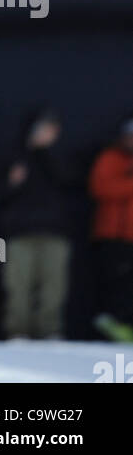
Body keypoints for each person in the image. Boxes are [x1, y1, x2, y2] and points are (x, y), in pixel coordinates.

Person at [0, 109, 72, 340]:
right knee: (17, 285)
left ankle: (50, 330)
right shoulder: (13, 156)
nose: (47, 133)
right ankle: (18, 331)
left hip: (55, 232)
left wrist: (46, 152)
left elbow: (71, 183)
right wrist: (12, 182)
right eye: (43, 128)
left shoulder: (60, 156)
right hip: (18, 234)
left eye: (52, 129)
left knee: (54, 287)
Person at [88, 117, 133, 339]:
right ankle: (113, 331)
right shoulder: (110, 158)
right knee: (114, 287)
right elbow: (101, 188)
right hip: (114, 236)